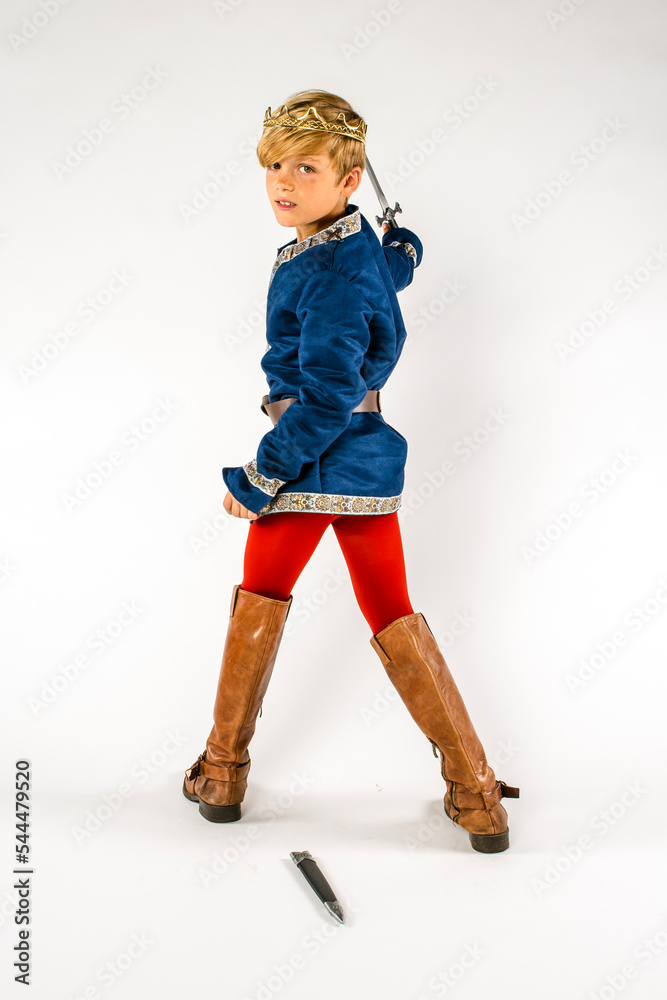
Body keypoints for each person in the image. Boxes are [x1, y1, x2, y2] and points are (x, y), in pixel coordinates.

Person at [183, 89, 519, 853]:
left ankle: (223, 772)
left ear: (348, 178)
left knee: (261, 597)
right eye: (273, 165)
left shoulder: (328, 272)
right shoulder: (356, 246)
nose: (282, 181)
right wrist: (406, 249)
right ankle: (474, 793)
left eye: (305, 167)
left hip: (309, 456)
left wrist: (261, 475)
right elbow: (382, 277)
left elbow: (329, 394)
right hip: (367, 466)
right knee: (392, 611)